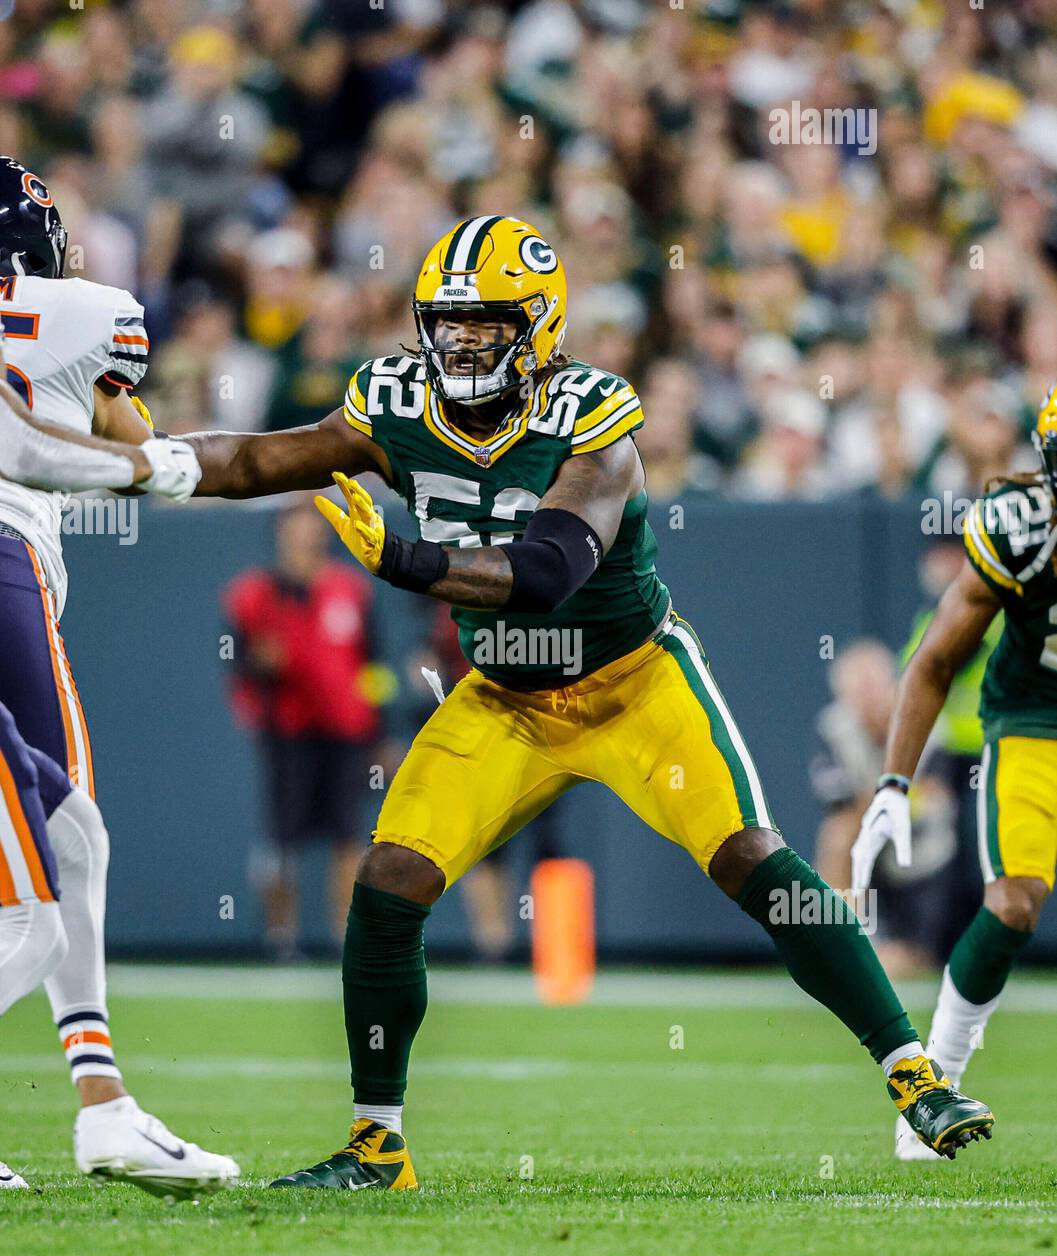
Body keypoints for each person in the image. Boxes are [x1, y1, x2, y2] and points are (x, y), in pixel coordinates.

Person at [182, 215, 995, 1190]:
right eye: (446, 325)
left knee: (755, 860)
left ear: (539, 327)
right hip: (505, 697)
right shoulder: (392, 399)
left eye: (483, 328)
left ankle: (913, 1072)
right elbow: (257, 460)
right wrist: (139, 461)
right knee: (389, 879)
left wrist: (404, 558)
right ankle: (376, 1142)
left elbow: (543, 573)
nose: (458, 347)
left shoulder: (592, 416)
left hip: (631, 683)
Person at [0, 158, 238, 1195]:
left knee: (68, 838)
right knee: (41, 893)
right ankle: (103, 1110)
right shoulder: (80, 309)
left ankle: (106, 1105)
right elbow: (39, 441)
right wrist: (154, 466)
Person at [854, 385, 1057, 1161]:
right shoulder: (1019, 529)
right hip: (1036, 714)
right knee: (1012, 902)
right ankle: (930, 1090)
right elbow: (935, 659)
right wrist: (893, 783)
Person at [223, 501, 382, 960]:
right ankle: (280, 937)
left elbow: (372, 665)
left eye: (311, 528)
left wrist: (380, 731)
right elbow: (236, 665)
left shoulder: (350, 590)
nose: (305, 537)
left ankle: (345, 937)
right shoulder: (253, 594)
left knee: (349, 835)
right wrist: (260, 666)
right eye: (295, 529)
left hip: (347, 731)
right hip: (287, 729)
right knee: (282, 837)